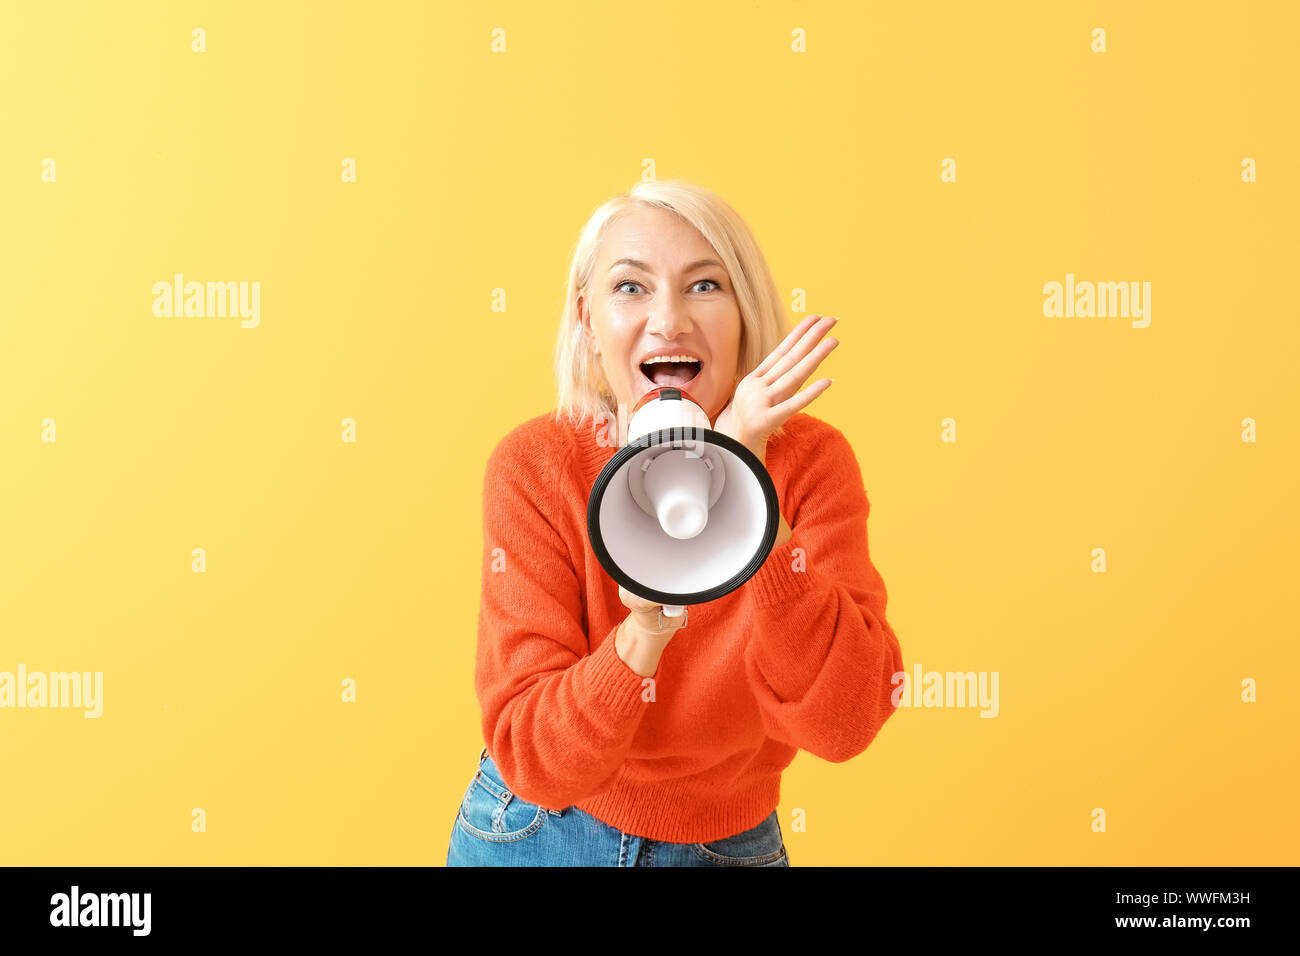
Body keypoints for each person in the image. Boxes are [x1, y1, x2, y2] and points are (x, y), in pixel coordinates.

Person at [445, 179, 903, 866]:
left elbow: (846, 721)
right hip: (539, 833)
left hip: (727, 846)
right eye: (630, 287)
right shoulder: (535, 467)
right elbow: (537, 760)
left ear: (745, 313)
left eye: (705, 286)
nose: (669, 322)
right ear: (588, 322)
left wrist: (750, 495)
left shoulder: (811, 466)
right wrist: (643, 634)